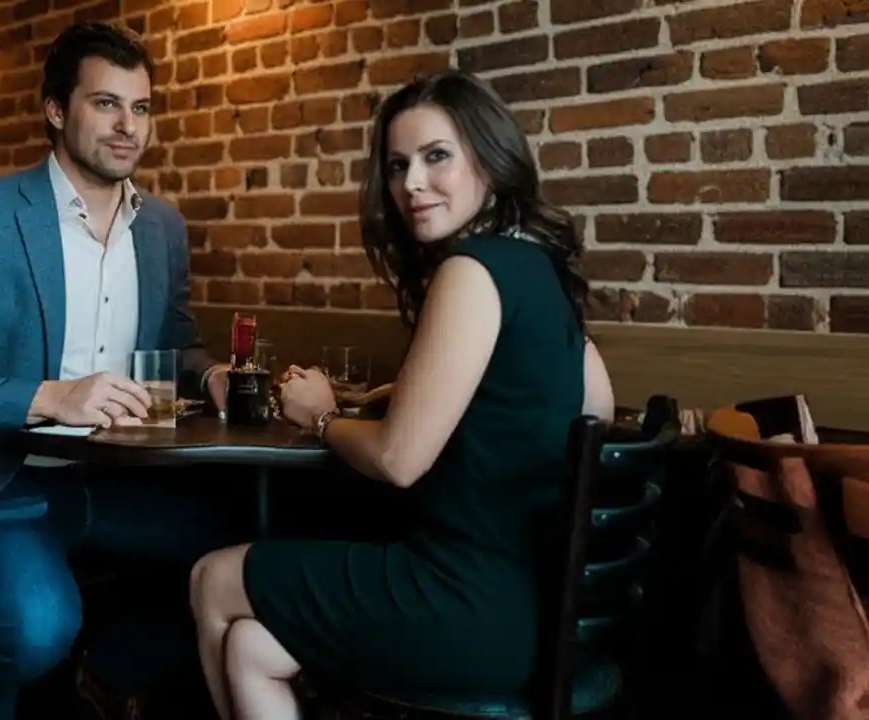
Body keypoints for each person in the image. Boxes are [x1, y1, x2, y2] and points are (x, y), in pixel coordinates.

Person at [189, 70, 617, 719]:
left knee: (211, 579)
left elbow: (398, 460)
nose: (411, 182)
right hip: (546, 607)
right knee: (251, 645)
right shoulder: (540, 268)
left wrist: (321, 415)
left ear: (490, 158)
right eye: (397, 165)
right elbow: (596, 406)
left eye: (435, 155)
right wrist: (418, 393)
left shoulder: (469, 270)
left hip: (465, 600)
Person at [0, 21, 235, 720]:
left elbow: (174, 342)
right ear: (55, 110)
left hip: (119, 480)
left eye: (141, 107)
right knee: (36, 626)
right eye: (106, 104)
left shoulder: (162, 227)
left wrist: (209, 374)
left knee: (252, 554)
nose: (128, 126)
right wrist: (52, 397)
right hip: (1, 480)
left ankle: (104, 675)